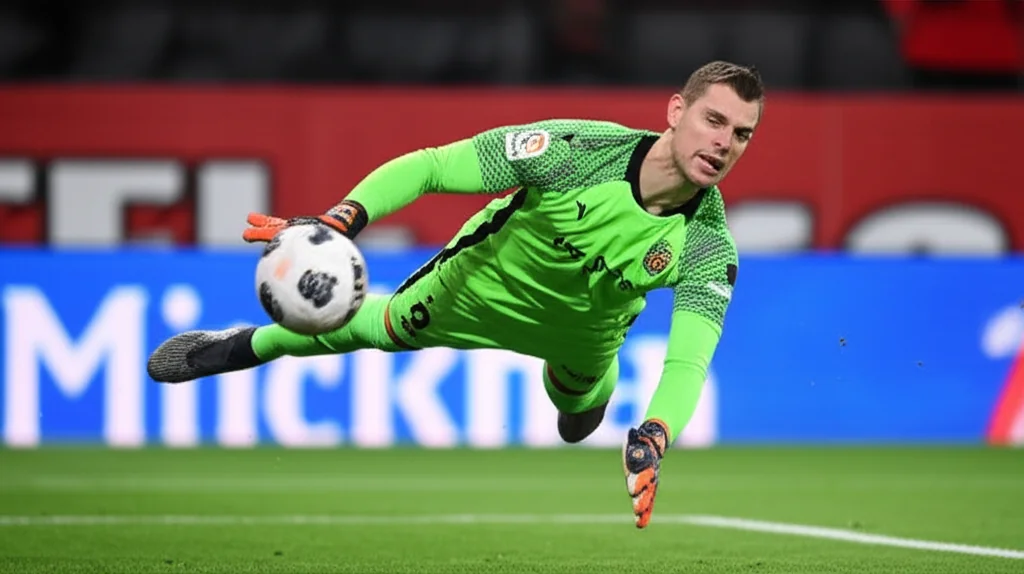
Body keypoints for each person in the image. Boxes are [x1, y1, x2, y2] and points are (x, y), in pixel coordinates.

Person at [147, 60, 765, 529]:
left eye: (741, 134)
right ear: (676, 111)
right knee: (373, 326)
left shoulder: (710, 247)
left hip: (583, 337)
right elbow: (433, 167)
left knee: (577, 421)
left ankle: (585, 390)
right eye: (713, 120)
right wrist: (340, 221)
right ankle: (245, 345)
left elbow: (688, 361)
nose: (723, 143)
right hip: (474, 289)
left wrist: (654, 433)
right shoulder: (575, 153)